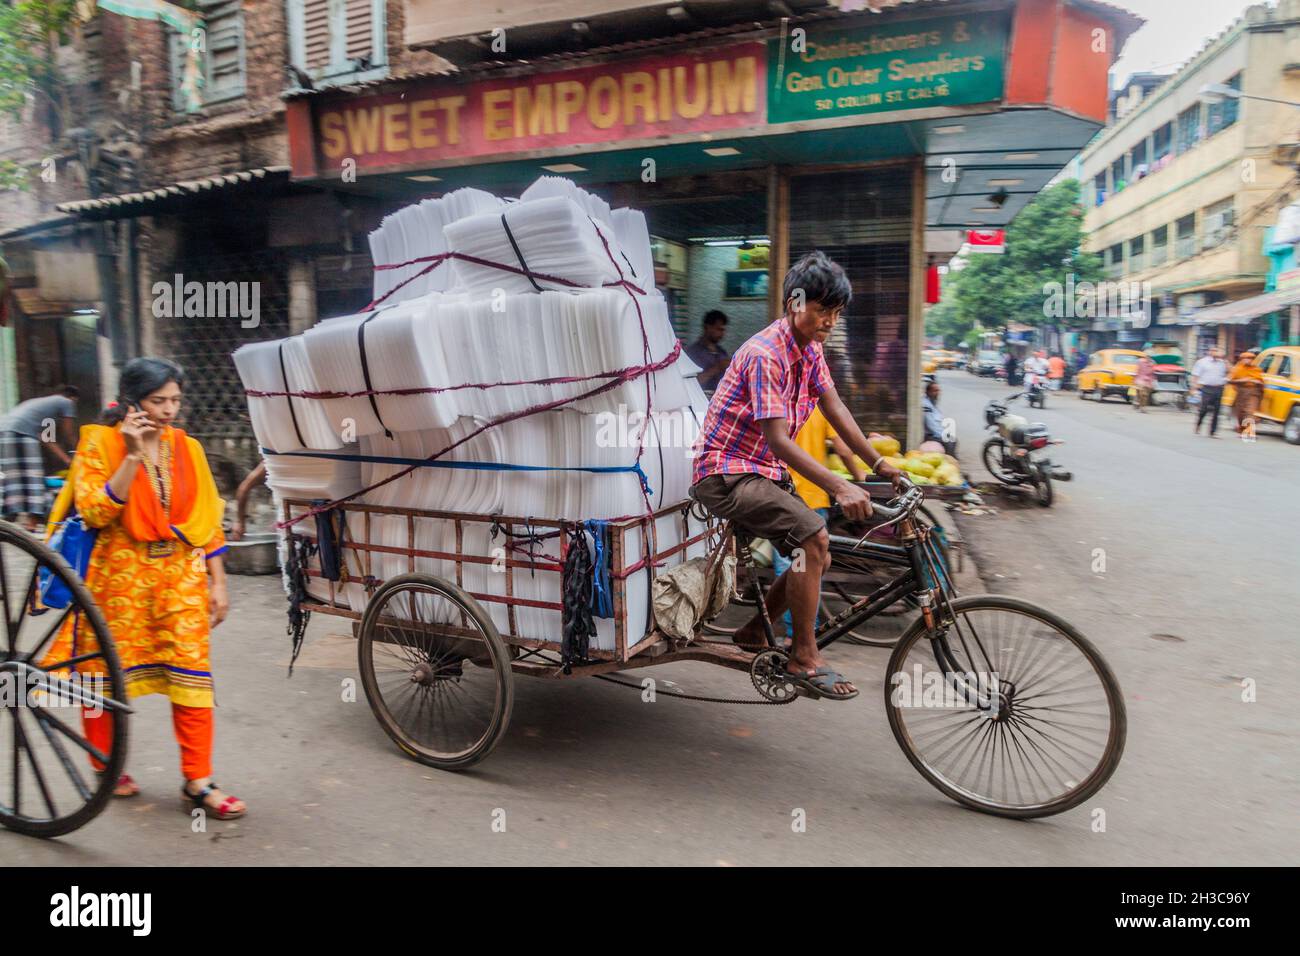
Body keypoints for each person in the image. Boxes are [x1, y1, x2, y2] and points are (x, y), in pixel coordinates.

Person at [691, 251, 907, 701]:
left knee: (817, 554)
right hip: (725, 473)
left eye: (836, 312)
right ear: (795, 303)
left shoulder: (810, 349)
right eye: (822, 309)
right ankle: (804, 656)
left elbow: (835, 406)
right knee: (814, 538)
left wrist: (880, 466)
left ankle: (753, 631)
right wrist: (839, 484)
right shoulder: (765, 354)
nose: (829, 321)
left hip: (760, 472)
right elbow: (779, 441)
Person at [41, 358, 246, 818]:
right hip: (117, 584)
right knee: (102, 676)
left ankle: (198, 781)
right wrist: (133, 455)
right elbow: (95, 511)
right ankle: (105, 763)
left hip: (179, 582)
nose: (170, 410)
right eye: (159, 401)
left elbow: (206, 521)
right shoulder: (101, 444)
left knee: (193, 681)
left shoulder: (187, 448)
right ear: (133, 401)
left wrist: (219, 583)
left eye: (175, 400)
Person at [772, 405, 869, 639]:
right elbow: (844, 451)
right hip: (814, 496)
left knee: (793, 566)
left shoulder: (777, 406)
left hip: (783, 496)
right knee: (809, 567)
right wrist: (861, 479)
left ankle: (798, 633)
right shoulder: (818, 407)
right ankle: (803, 634)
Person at [0, 385, 78, 530]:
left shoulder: (44, 406)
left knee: (14, 478)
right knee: (34, 479)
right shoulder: (66, 402)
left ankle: (11, 517)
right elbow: (69, 433)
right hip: (20, 433)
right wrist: (78, 451)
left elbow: (47, 439)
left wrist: (67, 460)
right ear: (72, 398)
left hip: (5, 431)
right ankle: (32, 522)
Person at [684, 309, 731, 392]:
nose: (722, 334)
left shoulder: (722, 352)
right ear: (707, 327)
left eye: (723, 330)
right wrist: (717, 368)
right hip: (701, 400)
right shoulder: (692, 352)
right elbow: (690, 384)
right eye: (719, 329)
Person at [1190, 345, 1229, 437]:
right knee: (1204, 409)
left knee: (1217, 410)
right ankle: (1198, 424)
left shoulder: (1223, 363)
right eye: (1213, 350)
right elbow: (1195, 375)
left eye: (1217, 351)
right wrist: (1193, 388)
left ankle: (1213, 431)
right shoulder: (1202, 362)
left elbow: (1231, 371)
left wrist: (1225, 360)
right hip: (1206, 388)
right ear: (1209, 352)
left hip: (1219, 388)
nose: (1215, 352)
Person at [1228, 349, 1265, 435]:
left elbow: (1261, 381)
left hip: (1253, 392)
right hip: (1241, 392)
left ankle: (1249, 431)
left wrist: (1258, 382)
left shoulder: (1256, 369)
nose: (1248, 360)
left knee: (1249, 412)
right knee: (1240, 413)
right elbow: (1230, 381)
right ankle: (1242, 428)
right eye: (1246, 358)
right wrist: (1242, 380)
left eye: (1251, 359)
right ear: (1241, 360)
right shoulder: (1237, 369)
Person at [229, 460, 267, 541]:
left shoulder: (270, 461)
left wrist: (240, 522)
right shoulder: (271, 461)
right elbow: (244, 488)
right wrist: (240, 523)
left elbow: (244, 487)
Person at [922, 379, 955, 455]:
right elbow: (931, 425)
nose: (938, 393)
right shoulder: (926, 405)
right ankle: (949, 460)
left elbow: (939, 422)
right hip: (931, 435)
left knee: (952, 439)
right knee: (950, 442)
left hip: (936, 433)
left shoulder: (932, 403)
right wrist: (942, 435)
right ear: (928, 392)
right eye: (935, 391)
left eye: (938, 391)